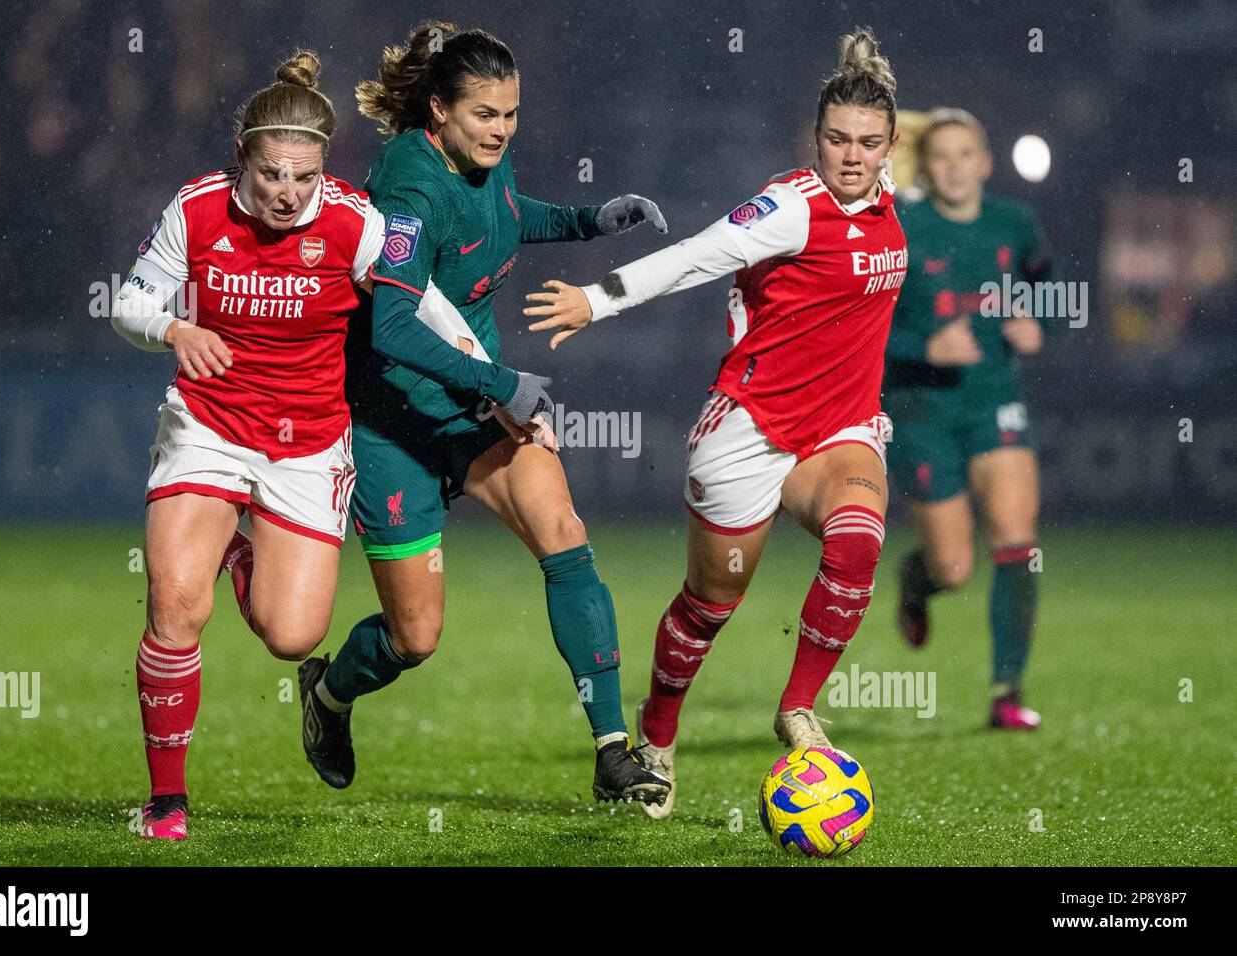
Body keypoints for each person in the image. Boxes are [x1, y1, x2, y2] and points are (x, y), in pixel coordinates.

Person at [111, 50, 544, 839]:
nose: (288, 193)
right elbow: (128, 300)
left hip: (308, 444)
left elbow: (430, 308)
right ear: (243, 158)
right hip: (208, 425)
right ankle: (166, 803)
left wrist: (497, 383)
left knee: (293, 636)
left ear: (323, 170)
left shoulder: (353, 221)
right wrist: (175, 327)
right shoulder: (199, 208)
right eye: (274, 174)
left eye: (304, 177)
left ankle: (234, 554)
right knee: (175, 605)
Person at [523, 27, 905, 819]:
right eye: (837, 139)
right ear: (817, 138)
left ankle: (797, 706)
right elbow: (699, 254)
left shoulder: (889, 184)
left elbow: (926, 145)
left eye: (868, 142)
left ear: (889, 145)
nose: (852, 155)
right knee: (710, 603)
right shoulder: (792, 208)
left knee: (859, 539)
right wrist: (599, 298)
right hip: (752, 430)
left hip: (842, 429)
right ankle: (658, 740)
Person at [297, 22, 673, 805]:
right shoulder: (410, 187)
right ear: (438, 112)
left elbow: (501, 212)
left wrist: (586, 219)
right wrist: (502, 382)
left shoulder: (477, 163)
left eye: (510, 114)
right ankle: (328, 695)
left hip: (473, 407)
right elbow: (391, 330)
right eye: (484, 115)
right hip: (392, 424)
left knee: (563, 533)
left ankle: (611, 753)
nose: (501, 129)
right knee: (415, 638)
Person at [883, 108, 1053, 729]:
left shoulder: (1016, 224)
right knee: (954, 569)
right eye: (941, 156)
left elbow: (1046, 287)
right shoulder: (902, 226)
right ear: (925, 167)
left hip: (993, 400)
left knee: (1016, 540)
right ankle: (918, 575)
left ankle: (1007, 693)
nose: (954, 167)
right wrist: (921, 347)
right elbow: (862, 321)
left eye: (966, 155)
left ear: (985, 162)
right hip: (920, 410)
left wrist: (1040, 322)